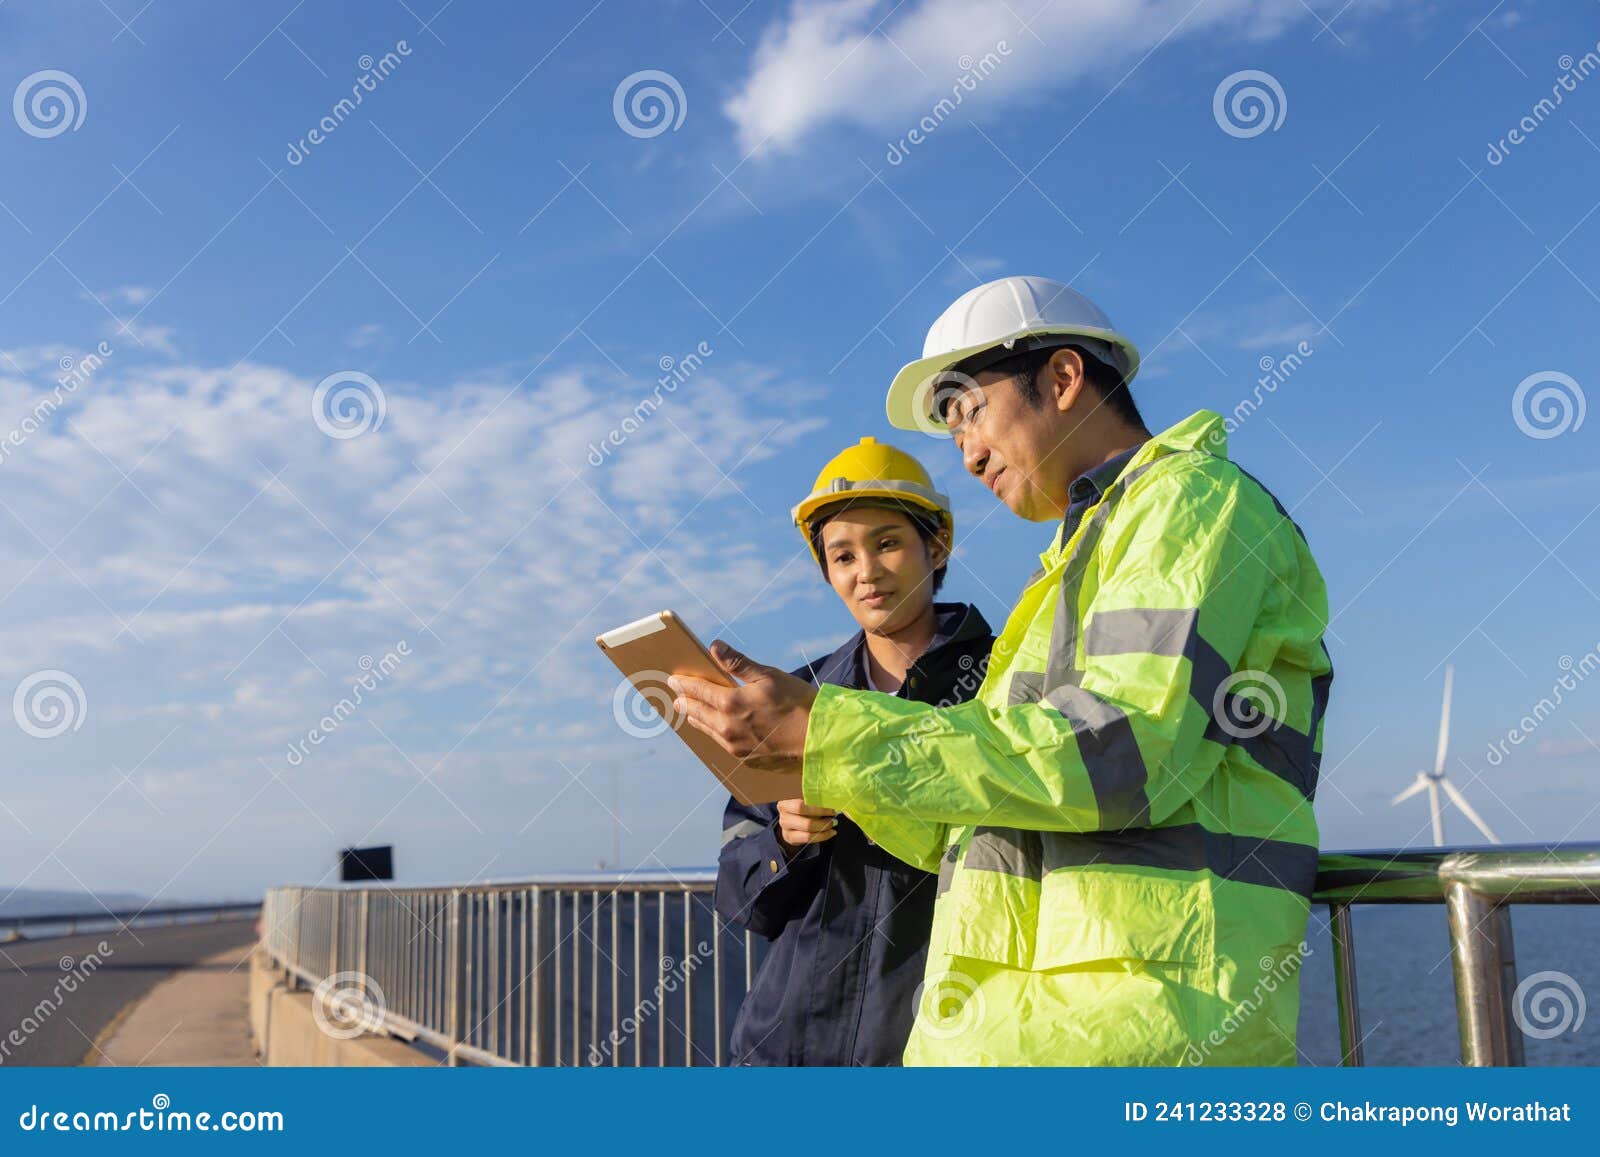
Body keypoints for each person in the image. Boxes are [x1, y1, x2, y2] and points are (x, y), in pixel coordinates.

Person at [671, 275, 1333, 1066]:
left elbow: (1116, 751)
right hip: (1027, 1038)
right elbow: (972, 826)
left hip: (1141, 1035)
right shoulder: (1071, 560)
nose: (969, 452)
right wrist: (814, 765)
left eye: (969, 412)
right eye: (952, 434)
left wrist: (830, 728)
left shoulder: (1188, 503)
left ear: (1061, 377)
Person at [715, 436, 993, 1066]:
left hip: (931, 1044)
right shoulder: (796, 696)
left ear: (938, 545)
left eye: (888, 543)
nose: (865, 572)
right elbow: (741, 896)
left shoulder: (1006, 681)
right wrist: (784, 842)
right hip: (784, 1045)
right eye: (842, 556)